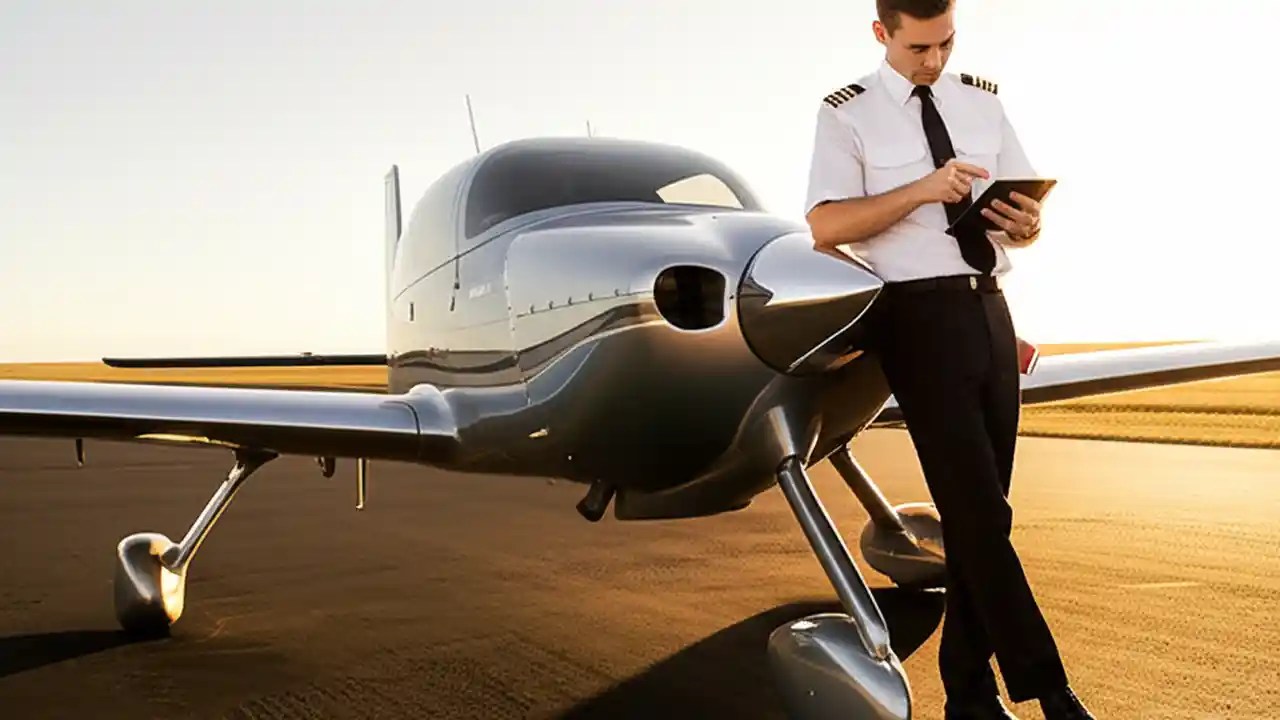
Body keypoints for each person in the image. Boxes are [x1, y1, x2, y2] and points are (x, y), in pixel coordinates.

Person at [803, 2, 1096, 720]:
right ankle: (1050, 690)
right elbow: (824, 225)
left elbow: (1023, 214)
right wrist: (922, 191)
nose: (934, 59)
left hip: (990, 309)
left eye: (946, 43)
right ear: (882, 34)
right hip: (912, 319)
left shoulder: (981, 102)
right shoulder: (847, 114)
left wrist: (1027, 225)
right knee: (973, 511)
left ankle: (968, 692)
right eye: (919, 46)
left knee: (985, 518)